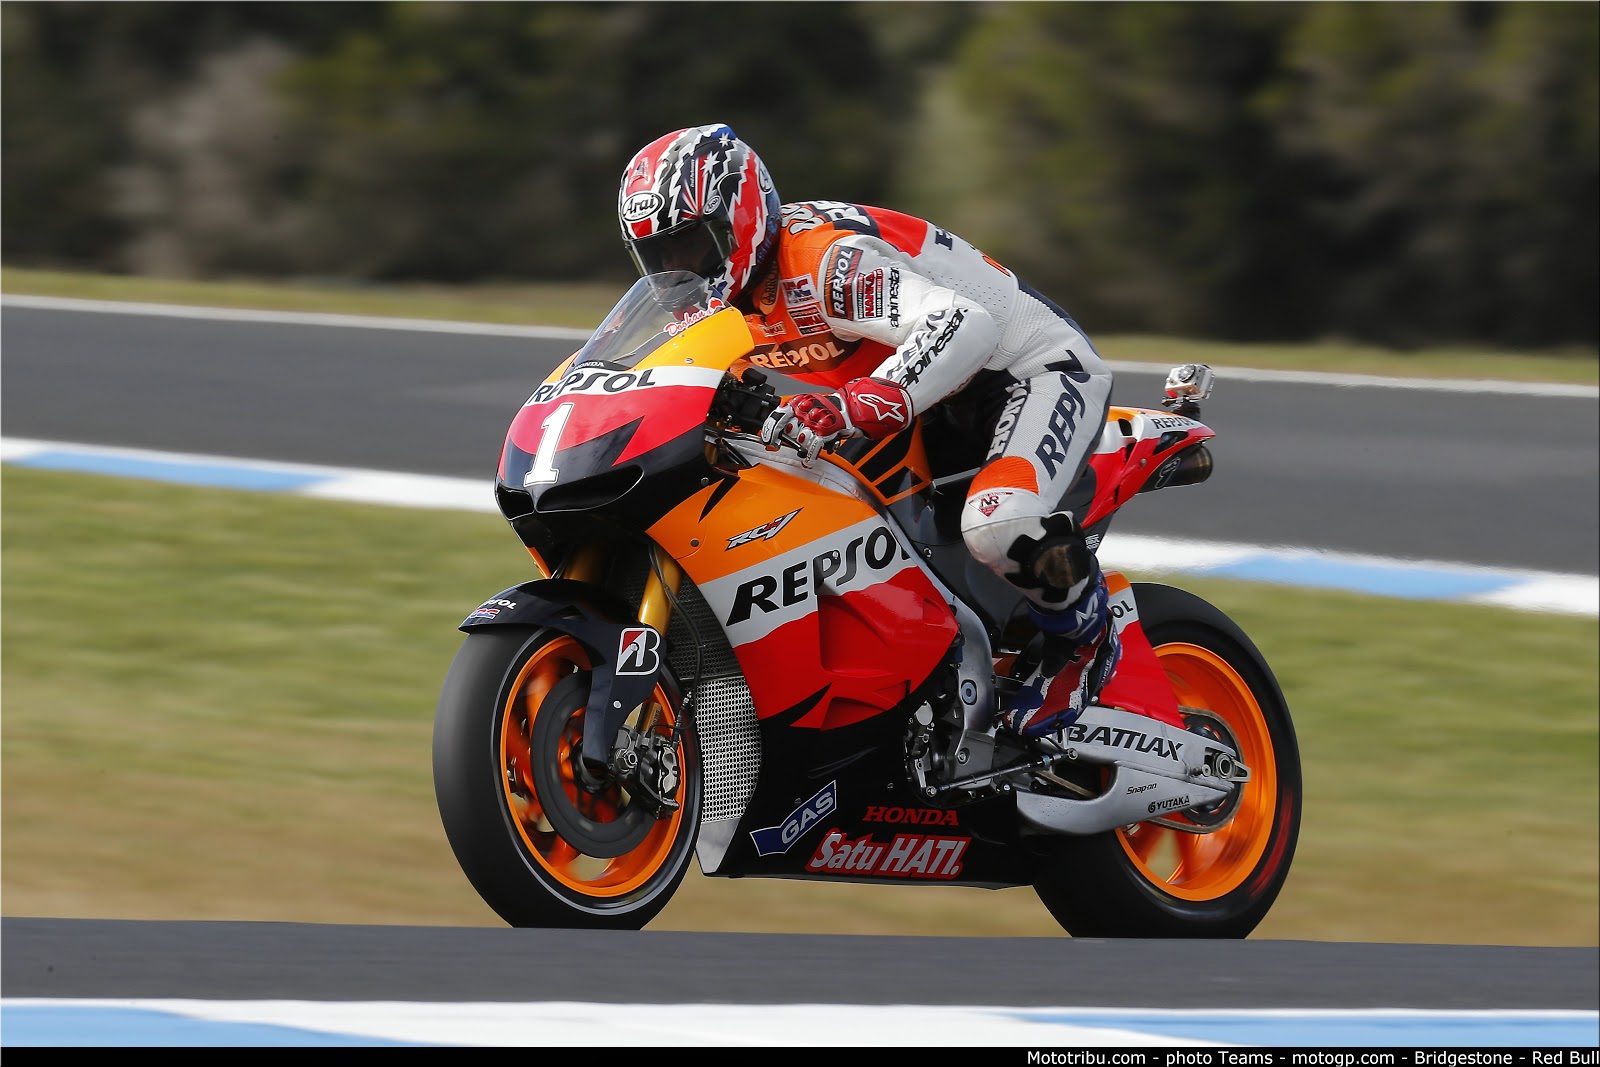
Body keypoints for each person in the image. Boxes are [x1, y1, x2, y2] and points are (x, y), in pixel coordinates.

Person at [617, 122, 1119, 742]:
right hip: (932, 396)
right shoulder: (720, 304)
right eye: (660, 257)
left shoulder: (822, 261)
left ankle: (1087, 640)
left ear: (740, 218)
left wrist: (863, 402)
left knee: (998, 520)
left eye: (694, 246)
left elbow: (964, 323)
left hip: (1026, 372)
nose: (679, 269)